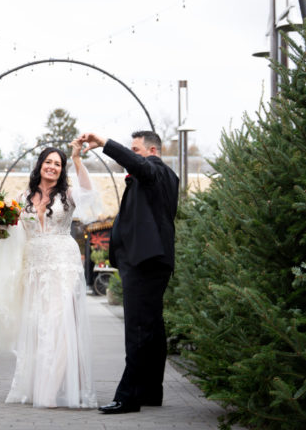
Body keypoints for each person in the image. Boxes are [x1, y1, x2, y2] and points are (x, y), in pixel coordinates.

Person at [0, 139, 99, 409]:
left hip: (62, 265)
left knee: (60, 325)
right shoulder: (22, 198)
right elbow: (15, 234)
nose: (52, 167)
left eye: (58, 164)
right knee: (38, 326)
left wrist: (77, 159)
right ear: (40, 165)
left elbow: (89, 192)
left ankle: (50, 389)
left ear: (62, 169)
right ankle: (33, 385)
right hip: (33, 266)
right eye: (48, 162)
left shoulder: (68, 194)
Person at [80, 130, 179, 415]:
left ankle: (128, 397)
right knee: (151, 328)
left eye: (136, 149)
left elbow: (139, 165)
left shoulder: (156, 170)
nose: (131, 155)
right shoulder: (154, 177)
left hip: (145, 262)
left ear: (153, 152)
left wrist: (105, 144)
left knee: (137, 328)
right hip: (151, 261)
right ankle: (150, 391)